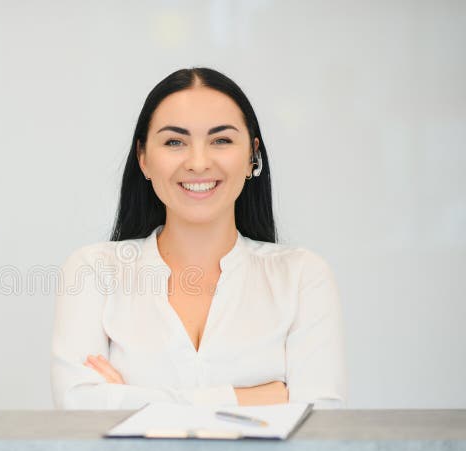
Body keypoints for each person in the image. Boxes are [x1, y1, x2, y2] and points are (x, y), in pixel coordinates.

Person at [50, 67, 346, 410]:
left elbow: (320, 417)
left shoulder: (302, 275)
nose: (199, 162)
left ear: (253, 156)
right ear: (143, 158)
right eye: (174, 141)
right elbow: (78, 406)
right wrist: (249, 397)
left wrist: (127, 400)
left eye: (221, 140)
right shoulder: (93, 271)